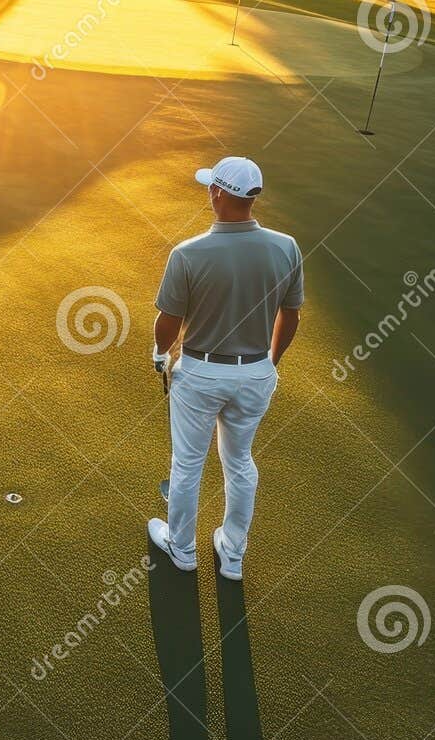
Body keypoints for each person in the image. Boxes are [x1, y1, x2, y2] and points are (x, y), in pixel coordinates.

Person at [147, 156, 303, 580]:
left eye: (209, 187)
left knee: (187, 465)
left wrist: (160, 353)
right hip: (255, 373)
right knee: (240, 462)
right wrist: (270, 363)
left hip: (200, 373)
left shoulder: (188, 253)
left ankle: (182, 548)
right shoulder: (286, 247)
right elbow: (290, 315)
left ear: (217, 192)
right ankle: (233, 554)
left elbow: (169, 321)